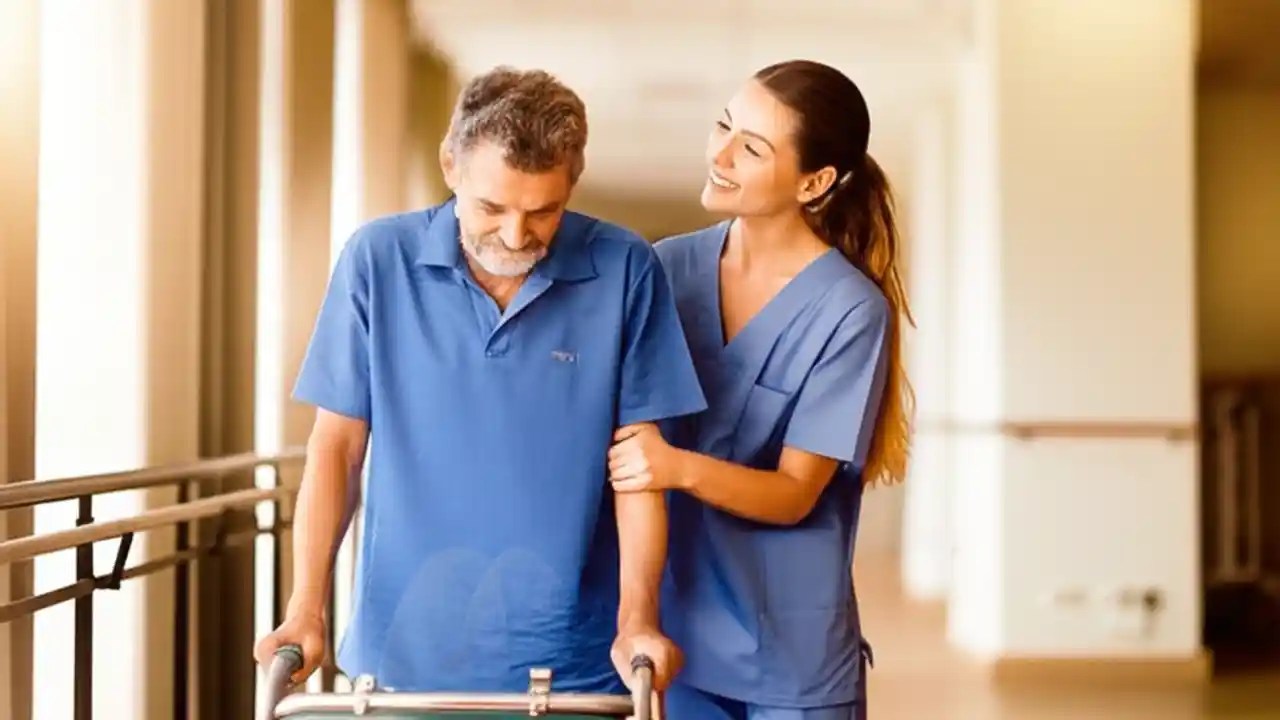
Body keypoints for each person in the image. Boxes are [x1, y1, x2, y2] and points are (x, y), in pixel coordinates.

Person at [254, 66, 706, 697]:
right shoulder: (377, 261)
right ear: (450, 166)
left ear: (572, 184)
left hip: (574, 659)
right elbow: (337, 447)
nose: (516, 236)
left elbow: (641, 471)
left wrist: (638, 619)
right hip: (401, 654)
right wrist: (306, 605)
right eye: (491, 207)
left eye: (543, 212)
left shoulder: (625, 268)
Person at [606, 59, 914, 719]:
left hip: (792, 655)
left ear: (815, 181)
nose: (720, 154)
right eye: (724, 125)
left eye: (751, 147)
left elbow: (796, 494)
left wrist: (676, 467)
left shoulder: (849, 310)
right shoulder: (665, 269)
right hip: (677, 637)